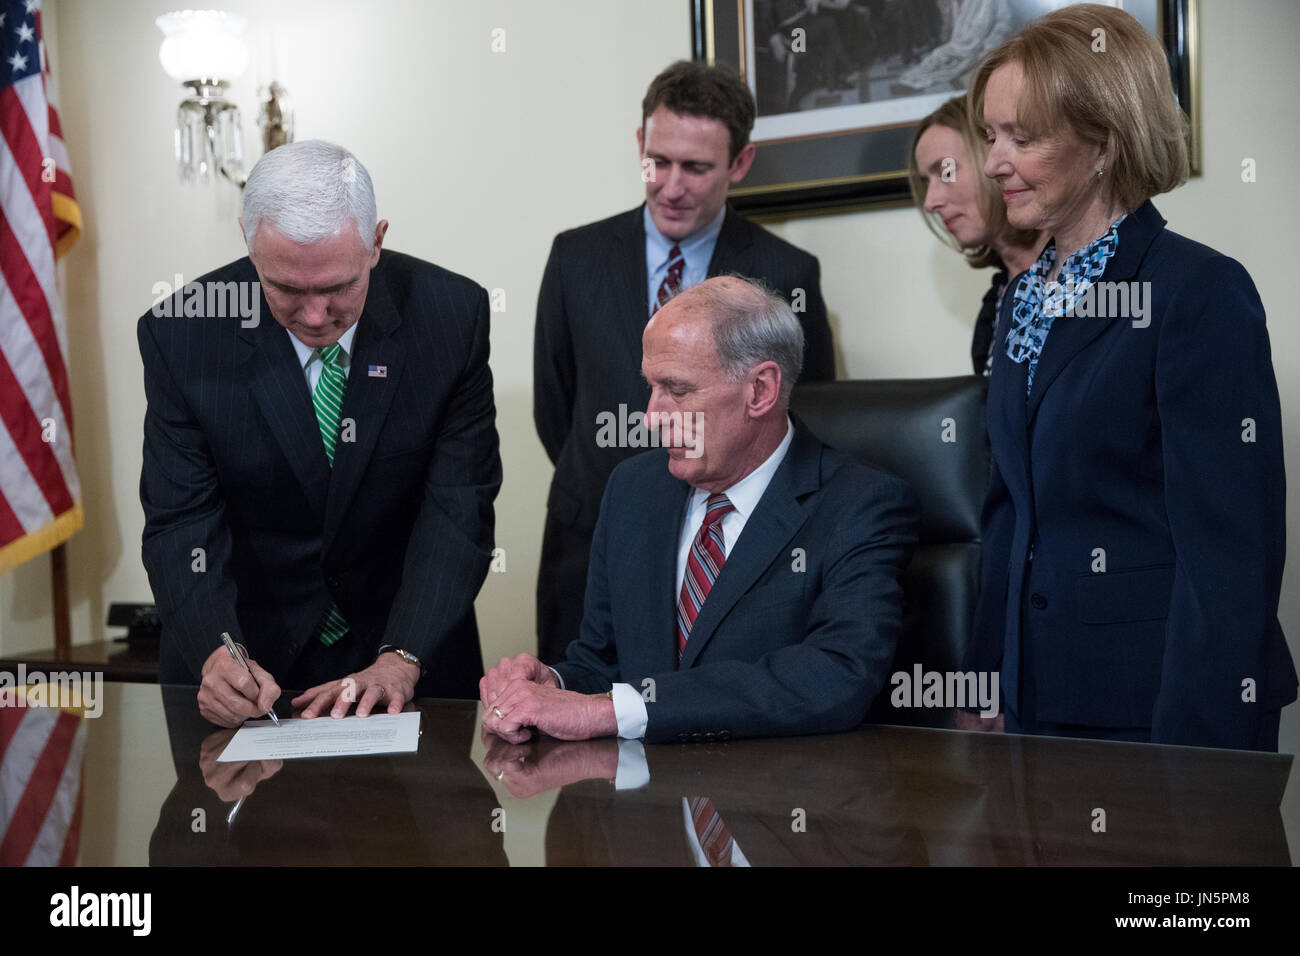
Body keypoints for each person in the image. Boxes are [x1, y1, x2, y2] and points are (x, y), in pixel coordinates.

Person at [963, 4, 1296, 749]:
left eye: (1023, 136)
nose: (992, 162)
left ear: (1106, 141)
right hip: (1034, 704)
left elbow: (1229, 552)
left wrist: (1195, 751)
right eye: (991, 136)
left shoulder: (1198, 289)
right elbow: (1007, 511)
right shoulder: (1022, 294)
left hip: (1158, 712)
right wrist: (985, 676)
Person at [138, 140, 501, 728]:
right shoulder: (182, 334)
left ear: (376, 241)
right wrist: (219, 650)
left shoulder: (451, 317)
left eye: (338, 287)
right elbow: (182, 520)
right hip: (246, 662)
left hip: (407, 650)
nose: (314, 316)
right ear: (249, 245)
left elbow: (458, 509)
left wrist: (402, 656)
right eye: (287, 289)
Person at [493, 276, 916, 744]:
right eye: (651, 387)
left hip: (779, 802)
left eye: (677, 389)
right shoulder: (633, 489)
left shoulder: (859, 505)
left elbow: (837, 675)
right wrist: (553, 685)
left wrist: (612, 711)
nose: (651, 416)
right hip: (647, 803)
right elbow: (603, 660)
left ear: (760, 390)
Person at [534, 60, 836, 665]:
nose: (672, 186)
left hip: (729, 552)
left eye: (696, 168)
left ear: (740, 164)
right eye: (658, 162)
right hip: (588, 532)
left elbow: (807, 416)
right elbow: (554, 405)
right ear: (640, 145)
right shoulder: (576, 256)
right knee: (575, 727)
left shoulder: (787, 272)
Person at [907, 94, 1043, 373]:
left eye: (945, 171)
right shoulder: (995, 306)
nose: (930, 201)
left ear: (994, 159)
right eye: (926, 181)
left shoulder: (1093, 282)